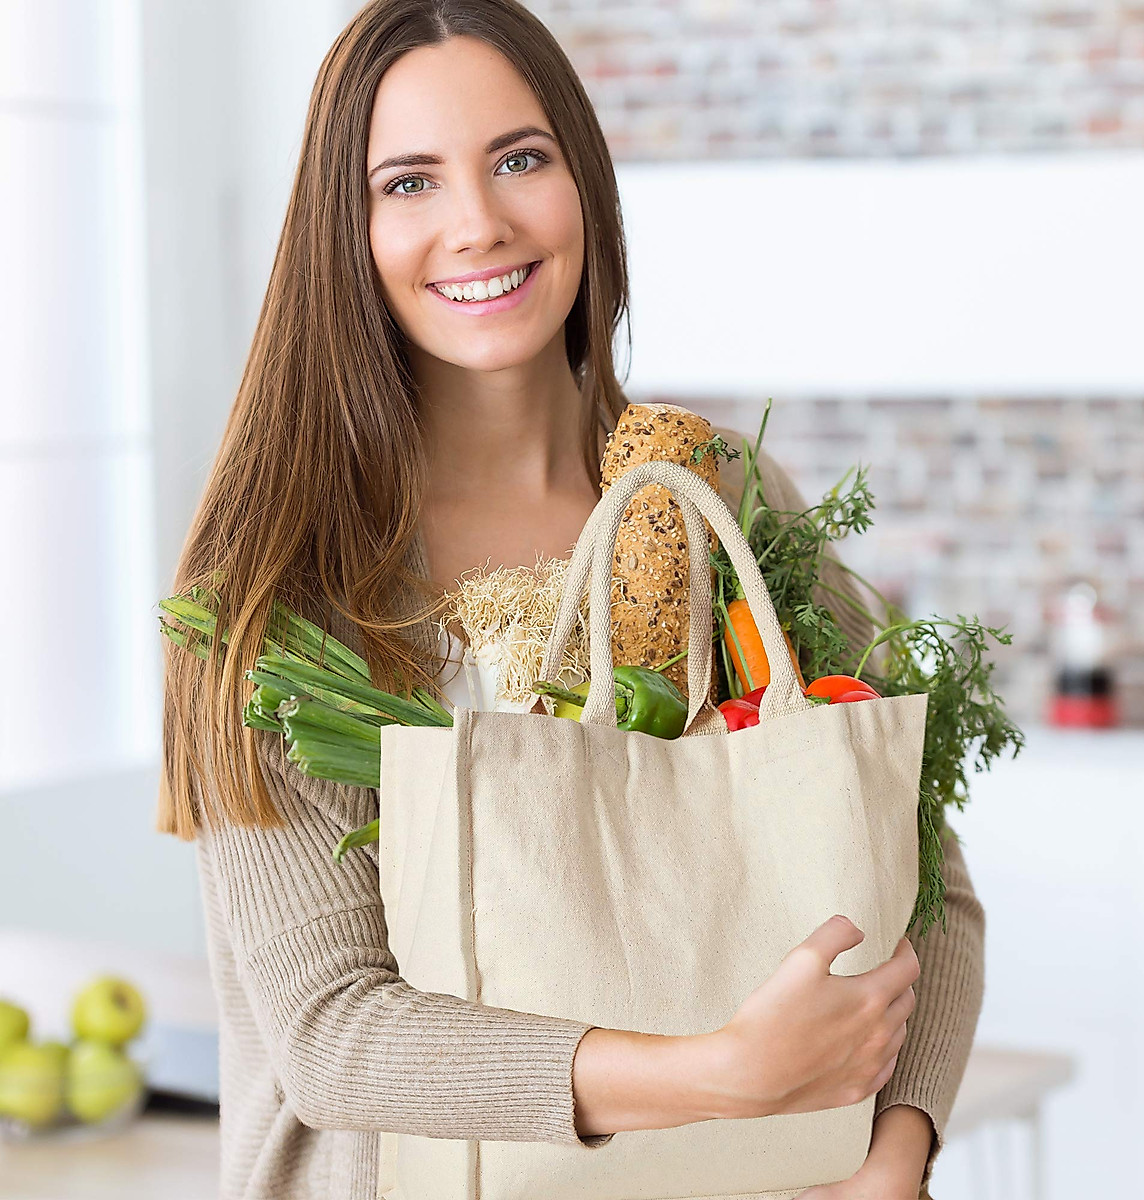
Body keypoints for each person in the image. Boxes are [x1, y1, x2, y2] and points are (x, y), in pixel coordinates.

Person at [157, 3, 984, 1198]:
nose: (477, 223)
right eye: (408, 183)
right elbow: (333, 1036)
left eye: (519, 159)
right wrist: (721, 1073)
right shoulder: (278, 585)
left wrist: (894, 1157)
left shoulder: (725, 499)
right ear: (346, 228)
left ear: (584, 180)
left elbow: (924, 880)